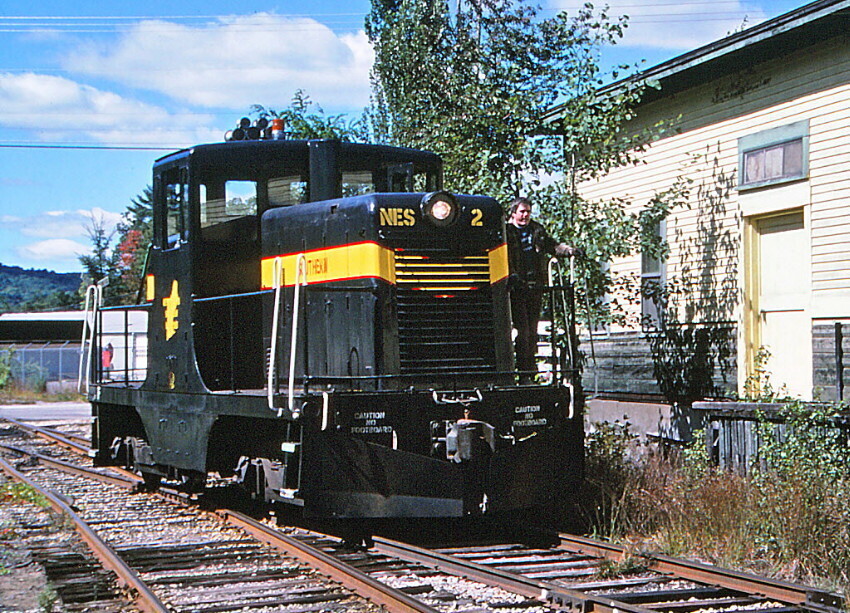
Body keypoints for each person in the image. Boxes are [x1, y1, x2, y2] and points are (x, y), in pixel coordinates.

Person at [505, 197, 576, 383]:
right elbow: (503, 257)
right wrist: (511, 275)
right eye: (522, 212)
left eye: (528, 211)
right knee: (523, 331)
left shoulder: (536, 230)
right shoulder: (506, 232)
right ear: (513, 213)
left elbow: (552, 245)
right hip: (516, 287)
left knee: (533, 331)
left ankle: (531, 371)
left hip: (535, 285)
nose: (525, 215)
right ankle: (523, 373)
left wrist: (568, 250)